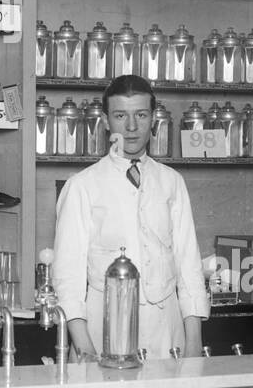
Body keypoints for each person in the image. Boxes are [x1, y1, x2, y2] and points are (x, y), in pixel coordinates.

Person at [52, 74, 208, 361]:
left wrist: (194, 343)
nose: (132, 127)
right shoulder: (82, 185)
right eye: (121, 115)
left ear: (153, 119)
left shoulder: (172, 181)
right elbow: (68, 277)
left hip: (166, 332)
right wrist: (84, 347)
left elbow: (189, 266)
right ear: (106, 121)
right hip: (102, 333)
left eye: (141, 115)